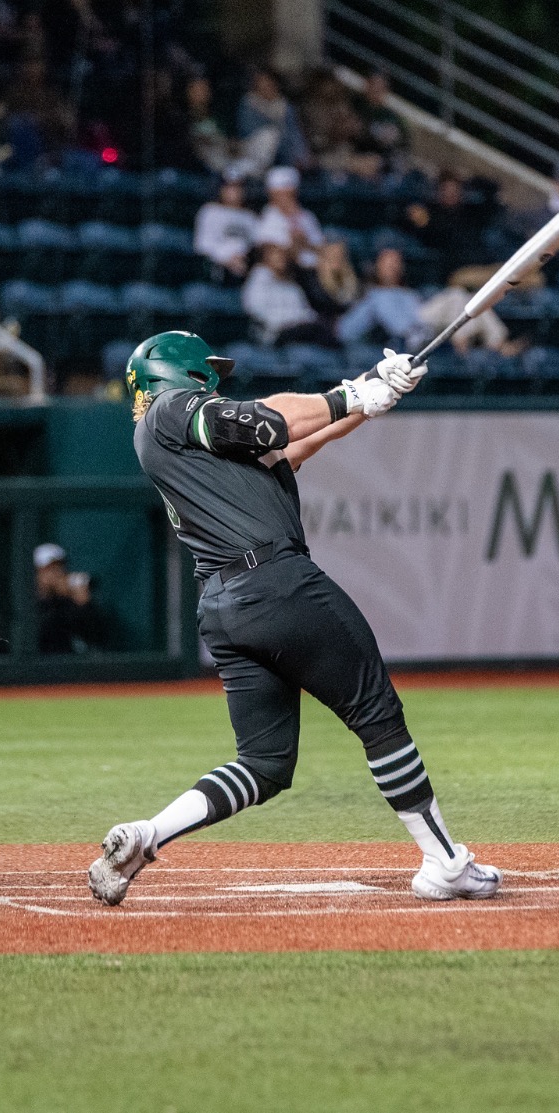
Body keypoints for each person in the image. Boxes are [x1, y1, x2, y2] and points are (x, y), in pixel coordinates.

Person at [88, 332, 500, 906]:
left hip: (226, 607)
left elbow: (292, 446)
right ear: (176, 372)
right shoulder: (170, 410)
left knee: (264, 764)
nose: (215, 378)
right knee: (376, 712)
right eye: (206, 370)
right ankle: (444, 862)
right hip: (277, 585)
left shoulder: (183, 441)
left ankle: (146, 836)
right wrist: (349, 393)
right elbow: (266, 423)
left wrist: (372, 399)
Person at [244, 244, 336, 348]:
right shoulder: (259, 278)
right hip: (274, 334)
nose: (281, 258)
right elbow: (256, 309)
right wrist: (292, 321)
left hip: (300, 331)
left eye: (283, 255)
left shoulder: (292, 286)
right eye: (276, 255)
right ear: (266, 258)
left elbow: (304, 310)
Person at [336, 246, 426, 350]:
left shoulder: (409, 294)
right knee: (380, 296)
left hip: (390, 344)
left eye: (396, 263)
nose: (392, 267)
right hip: (351, 334)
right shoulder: (364, 288)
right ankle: (410, 333)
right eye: (388, 263)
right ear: (377, 264)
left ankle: (417, 334)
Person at [33, 543, 111, 654]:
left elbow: (98, 636)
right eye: (50, 569)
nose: (57, 573)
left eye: (60, 567)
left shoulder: (69, 604)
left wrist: (84, 605)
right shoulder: (27, 603)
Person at [235, 66, 308, 173]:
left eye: (268, 82)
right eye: (261, 83)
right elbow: (247, 130)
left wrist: (302, 155)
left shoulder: (285, 105)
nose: (266, 86)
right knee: (269, 135)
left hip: (283, 151)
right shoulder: (249, 103)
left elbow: (294, 131)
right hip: (253, 150)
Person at [193, 170, 259, 282]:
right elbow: (202, 245)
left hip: (245, 269)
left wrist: (245, 259)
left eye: (238, 187)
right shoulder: (210, 211)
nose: (233, 191)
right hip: (217, 268)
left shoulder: (250, 217)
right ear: (221, 189)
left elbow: (256, 246)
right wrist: (228, 259)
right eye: (229, 187)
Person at [253, 165, 325, 267]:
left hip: (316, 271)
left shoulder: (307, 216)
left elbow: (321, 247)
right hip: (287, 276)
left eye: (290, 193)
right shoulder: (267, 218)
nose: (286, 198)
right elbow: (270, 254)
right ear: (271, 194)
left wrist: (305, 243)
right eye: (281, 194)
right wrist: (297, 244)